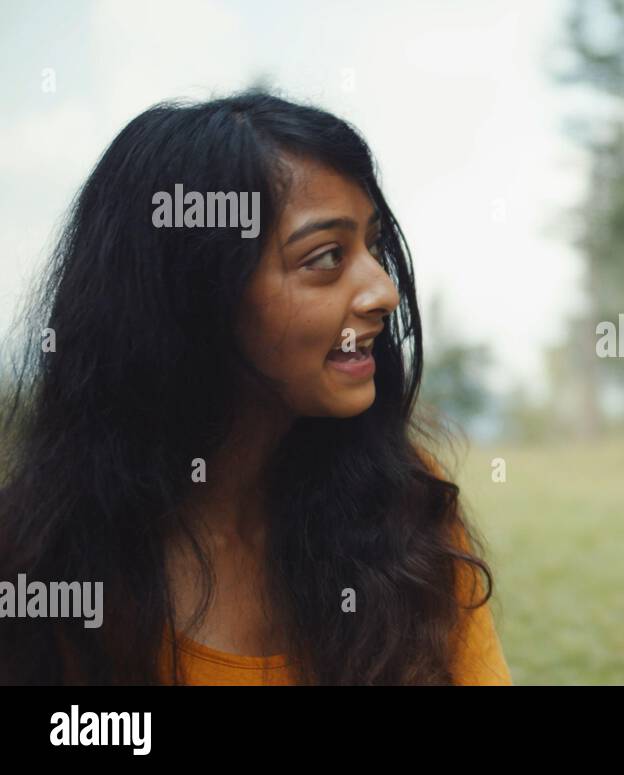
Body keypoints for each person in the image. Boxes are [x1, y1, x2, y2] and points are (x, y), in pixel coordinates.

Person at [0, 91, 510, 685]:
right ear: (195, 296)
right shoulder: (43, 568)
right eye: (325, 257)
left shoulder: (407, 512)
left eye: (372, 246)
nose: (383, 292)